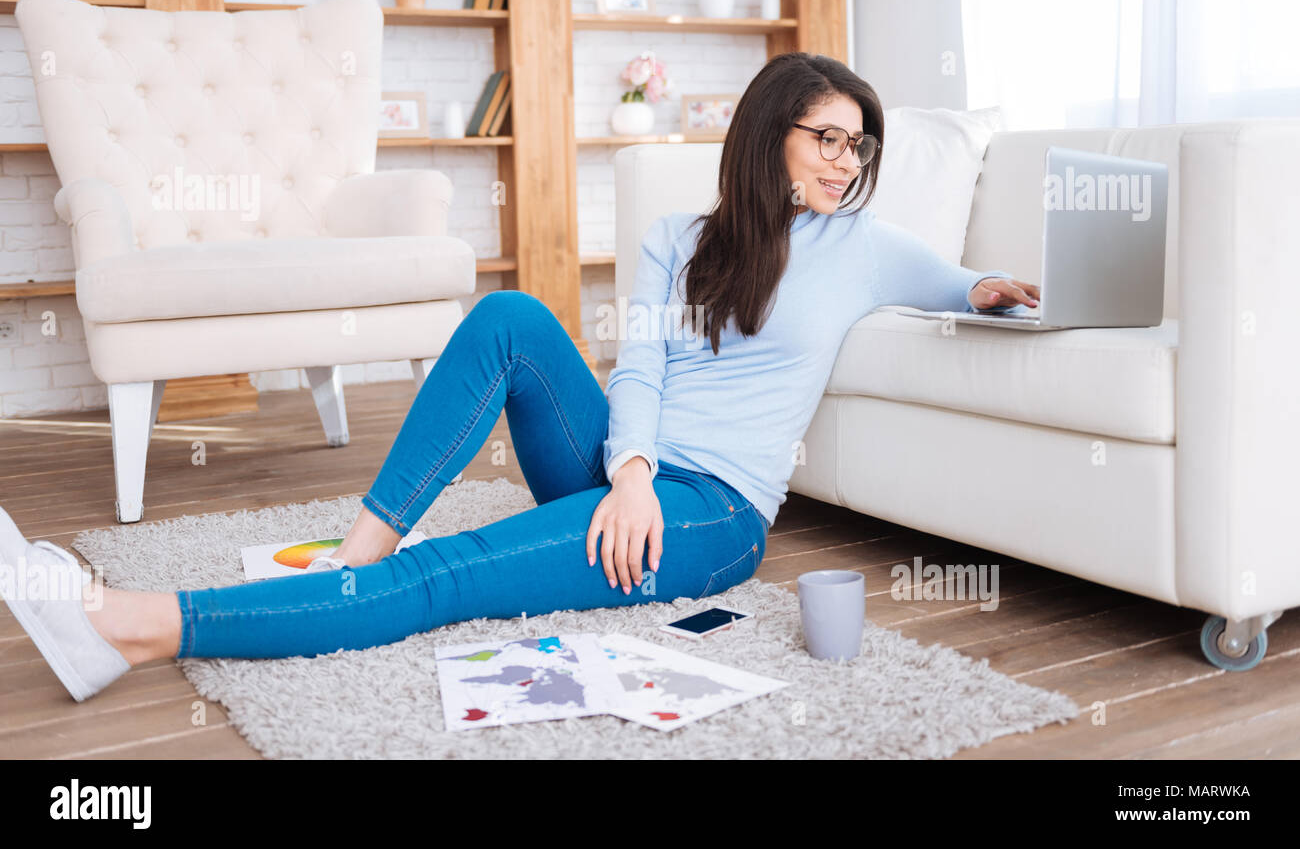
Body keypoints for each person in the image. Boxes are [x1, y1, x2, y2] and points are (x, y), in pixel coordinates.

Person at [0, 52, 1039, 702]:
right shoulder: (682, 236)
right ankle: (364, 539)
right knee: (507, 316)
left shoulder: (864, 246)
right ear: (771, 134)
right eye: (828, 138)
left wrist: (996, 288)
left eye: (859, 147)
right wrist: (626, 470)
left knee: (447, 582)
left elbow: (964, 284)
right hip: (624, 473)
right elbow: (639, 367)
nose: (845, 162)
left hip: (710, 515)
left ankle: (130, 626)